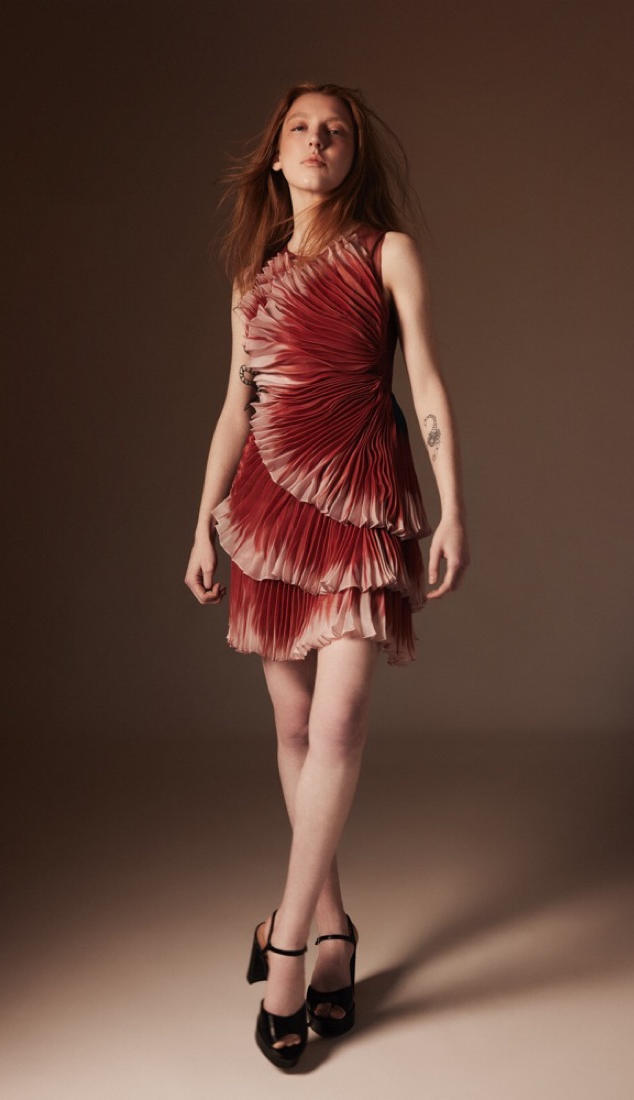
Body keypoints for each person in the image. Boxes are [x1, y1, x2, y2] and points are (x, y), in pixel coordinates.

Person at [184, 82, 469, 1069]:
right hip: (268, 507)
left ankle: (289, 946)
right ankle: (337, 928)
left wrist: (453, 505)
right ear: (276, 155)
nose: (317, 141)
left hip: (360, 496)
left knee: (339, 726)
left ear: (353, 155)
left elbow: (424, 380)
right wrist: (200, 520)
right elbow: (237, 405)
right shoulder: (253, 276)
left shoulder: (388, 253)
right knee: (297, 729)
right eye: (301, 129)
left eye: (335, 131)